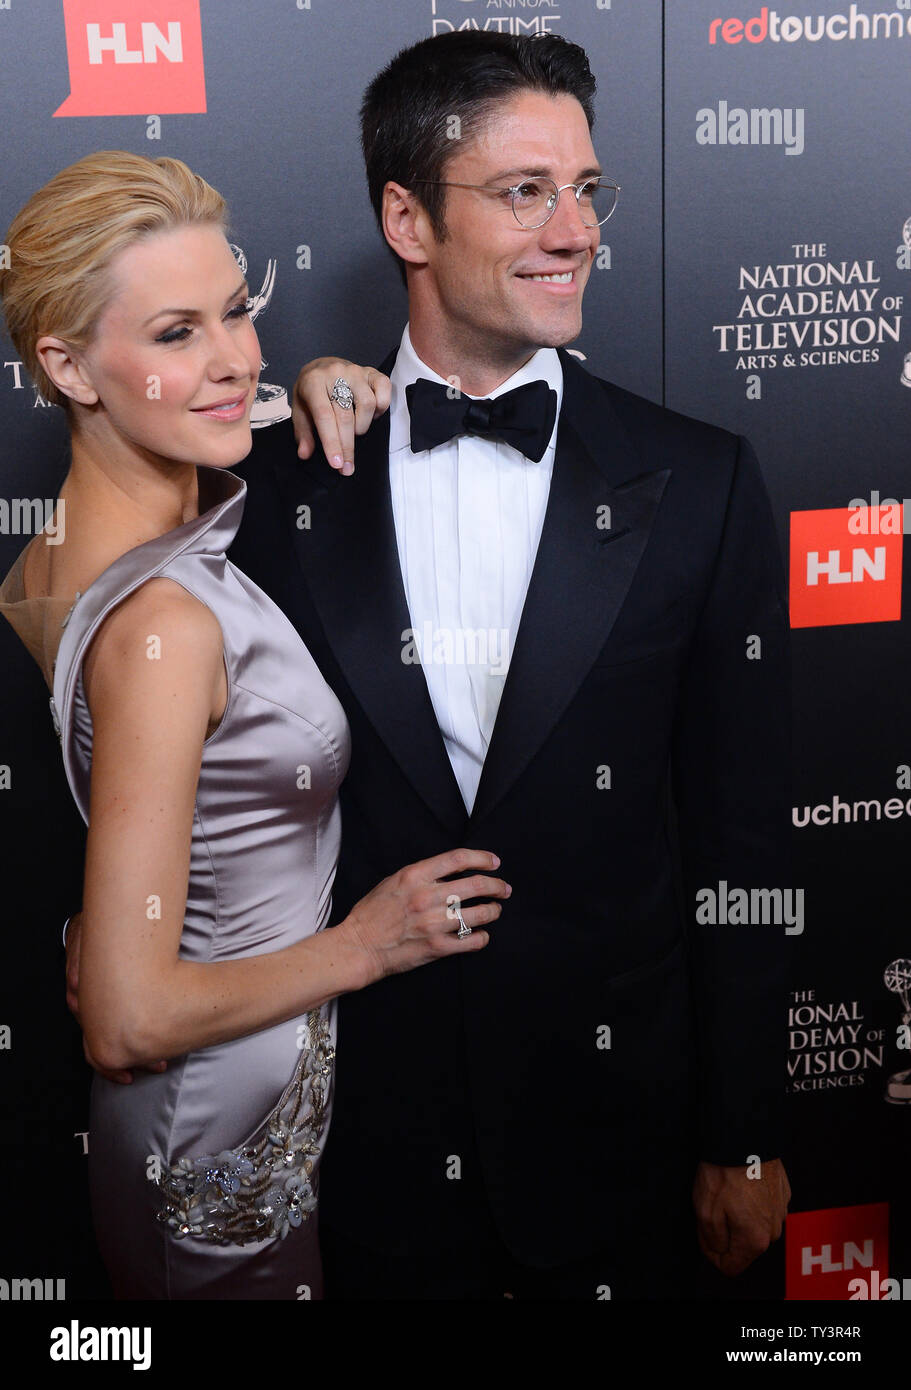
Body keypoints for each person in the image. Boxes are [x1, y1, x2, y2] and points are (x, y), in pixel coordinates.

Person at [226, 30, 794, 1299]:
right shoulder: (279, 484)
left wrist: (741, 1130)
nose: (573, 229)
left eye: (585, 189)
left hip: (622, 1148)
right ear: (406, 218)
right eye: (523, 191)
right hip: (349, 1155)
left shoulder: (698, 483)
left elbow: (741, 845)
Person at [0, 150, 509, 1300]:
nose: (236, 359)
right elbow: (126, 1020)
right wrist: (365, 945)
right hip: (210, 1127)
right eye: (177, 334)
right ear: (69, 365)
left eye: (236, 311)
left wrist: (303, 391)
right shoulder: (168, 627)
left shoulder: (59, 559)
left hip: (236, 1112)